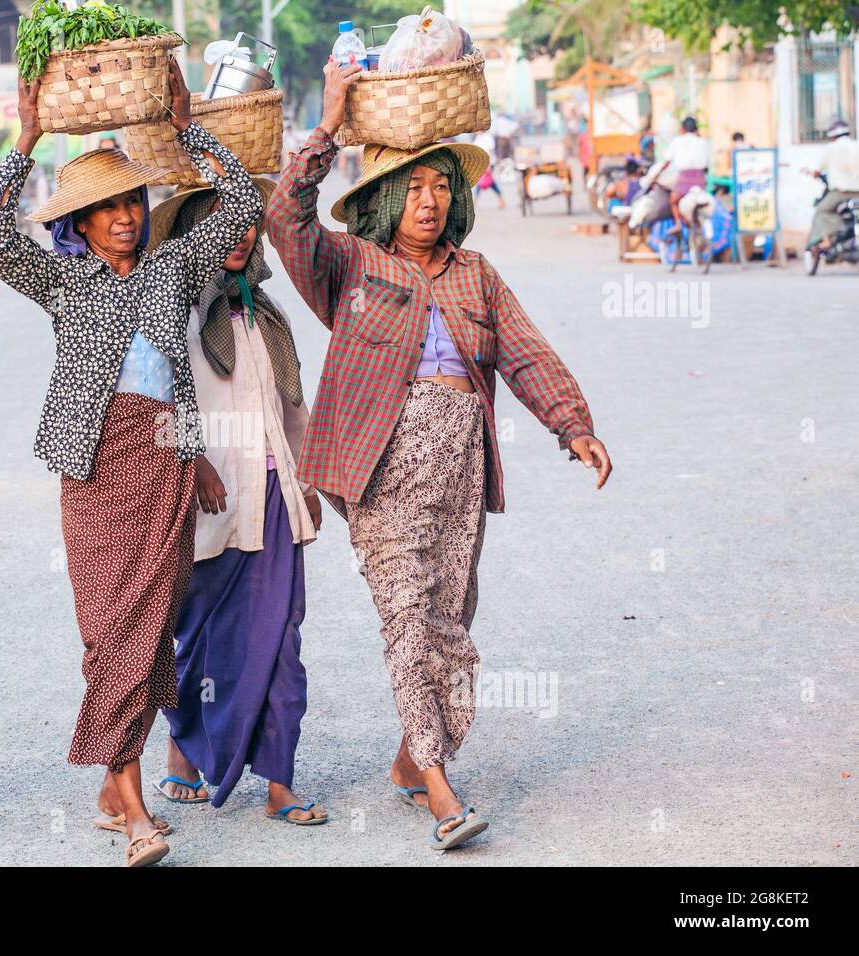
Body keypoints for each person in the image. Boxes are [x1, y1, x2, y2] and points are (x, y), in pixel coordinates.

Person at [266, 61, 613, 852]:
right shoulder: (350, 266)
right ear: (387, 198)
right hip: (380, 468)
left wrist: (573, 424)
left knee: (451, 619)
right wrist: (324, 128)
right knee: (408, 619)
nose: (430, 201)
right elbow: (286, 218)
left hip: (459, 465)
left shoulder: (475, 275)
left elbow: (524, 353)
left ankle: (408, 754)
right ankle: (438, 785)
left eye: (442, 189)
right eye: (415, 188)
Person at [0, 64, 262, 867]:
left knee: (155, 624)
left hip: (167, 458)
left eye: (130, 202)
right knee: (111, 634)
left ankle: (114, 782)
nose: (124, 217)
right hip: (95, 469)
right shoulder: (64, 281)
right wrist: (24, 140)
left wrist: (187, 130)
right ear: (81, 224)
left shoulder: (172, 267)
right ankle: (133, 808)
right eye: (105, 208)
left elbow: (242, 206)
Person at [146, 179, 328, 825]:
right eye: (220, 225)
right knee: (199, 636)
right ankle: (183, 745)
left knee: (280, 636)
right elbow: (159, 406)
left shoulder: (266, 312)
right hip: (207, 501)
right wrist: (187, 464)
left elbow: (292, 407)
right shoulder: (177, 314)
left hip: (274, 495)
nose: (240, 235)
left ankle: (280, 780)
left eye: (246, 223)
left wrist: (309, 479)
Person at [806, 120, 859, 252]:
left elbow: (816, 169)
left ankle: (827, 240)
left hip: (840, 193)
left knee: (821, 211)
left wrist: (812, 172)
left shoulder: (830, 149)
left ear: (832, 136)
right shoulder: (857, 146)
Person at [654, 116, 710, 233]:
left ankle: (678, 224)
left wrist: (657, 174)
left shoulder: (677, 141)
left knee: (674, 200)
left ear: (683, 128)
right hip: (700, 180)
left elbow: (667, 162)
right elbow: (707, 164)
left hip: (684, 179)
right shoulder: (702, 142)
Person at [471, 130, 505, 209]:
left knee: (486, 182)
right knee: (486, 182)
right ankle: (501, 201)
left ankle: (473, 202)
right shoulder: (478, 137)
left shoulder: (488, 137)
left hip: (487, 163)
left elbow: (488, 152)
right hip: (480, 163)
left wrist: (488, 166)